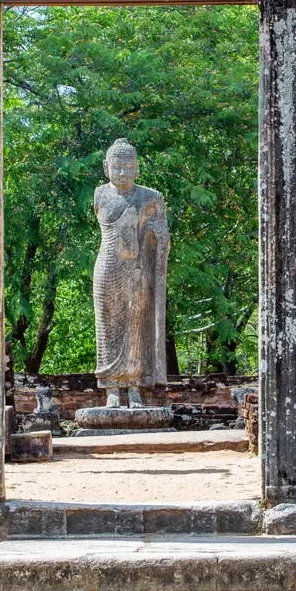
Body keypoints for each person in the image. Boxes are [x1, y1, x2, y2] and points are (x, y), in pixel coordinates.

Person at [91, 138, 170, 408]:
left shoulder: (150, 197)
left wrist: (155, 232)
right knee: (107, 328)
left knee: (137, 326)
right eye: (117, 167)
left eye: (128, 167)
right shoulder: (100, 194)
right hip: (107, 269)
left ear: (137, 168)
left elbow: (162, 232)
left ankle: (135, 387)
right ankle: (112, 388)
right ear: (106, 167)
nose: (123, 172)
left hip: (137, 270)